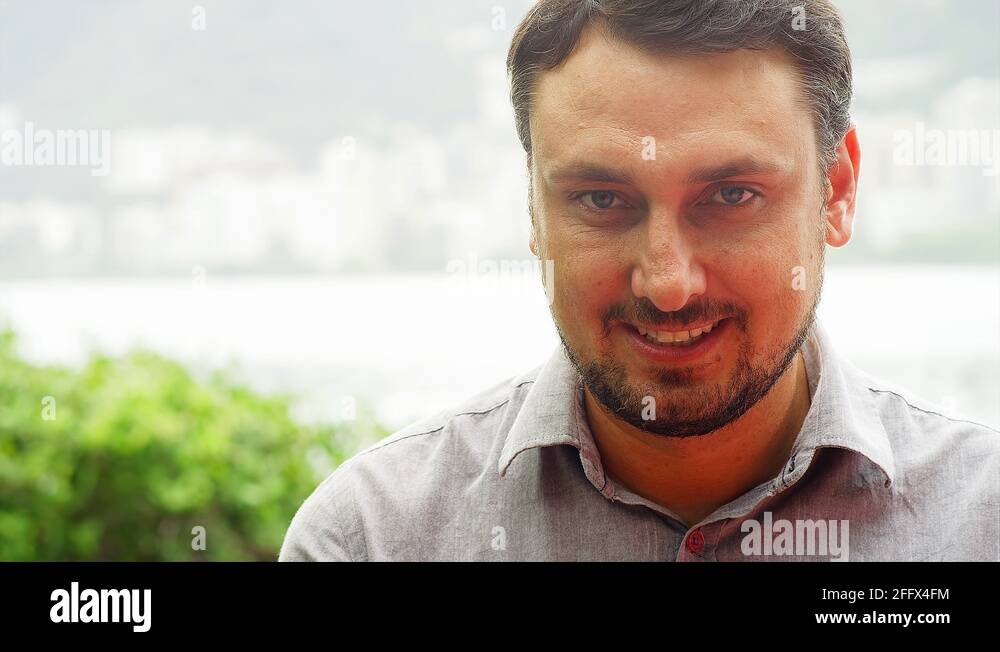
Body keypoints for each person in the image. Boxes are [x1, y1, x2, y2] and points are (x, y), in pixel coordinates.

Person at [279, 0, 999, 561]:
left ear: (836, 191)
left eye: (730, 196)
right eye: (602, 200)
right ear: (532, 205)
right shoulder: (371, 539)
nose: (668, 284)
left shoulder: (981, 520)